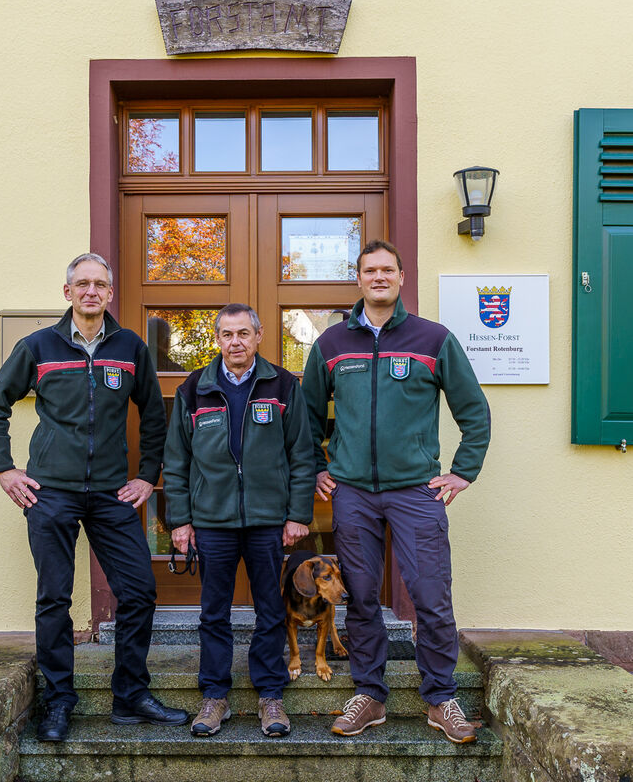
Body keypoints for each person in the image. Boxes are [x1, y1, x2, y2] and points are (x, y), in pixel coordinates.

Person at [0, 252, 187, 741]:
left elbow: (155, 416)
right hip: (50, 493)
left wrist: (146, 476)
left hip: (113, 493)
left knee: (138, 591)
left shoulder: (131, 348)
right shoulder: (39, 346)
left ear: (110, 294)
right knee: (54, 598)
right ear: (67, 292)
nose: (91, 291)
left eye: (100, 284)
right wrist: (5, 470)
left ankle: (130, 695)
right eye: (82, 284)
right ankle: (59, 701)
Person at [300, 239, 490, 744]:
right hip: (354, 495)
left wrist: (462, 471)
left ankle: (441, 699)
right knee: (360, 597)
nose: (379, 277)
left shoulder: (433, 338)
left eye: (388, 269)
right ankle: (369, 696)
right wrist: (320, 466)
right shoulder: (332, 344)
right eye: (369, 270)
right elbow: (306, 419)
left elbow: (474, 411)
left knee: (430, 596)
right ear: (358, 279)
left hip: (415, 492)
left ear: (402, 277)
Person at [162, 303, 315, 739]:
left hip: (268, 520)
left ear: (259, 335)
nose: (235, 342)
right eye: (227, 334)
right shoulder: (195, 388)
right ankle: (214, 697)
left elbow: (301, 454)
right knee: (214, 612)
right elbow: (177, 461)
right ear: (218, 339)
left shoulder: (283, 385)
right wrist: (181, 521)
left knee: (270, 609)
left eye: (243, 334)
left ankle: (270, 697)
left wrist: (297, 514)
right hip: (212, 521)